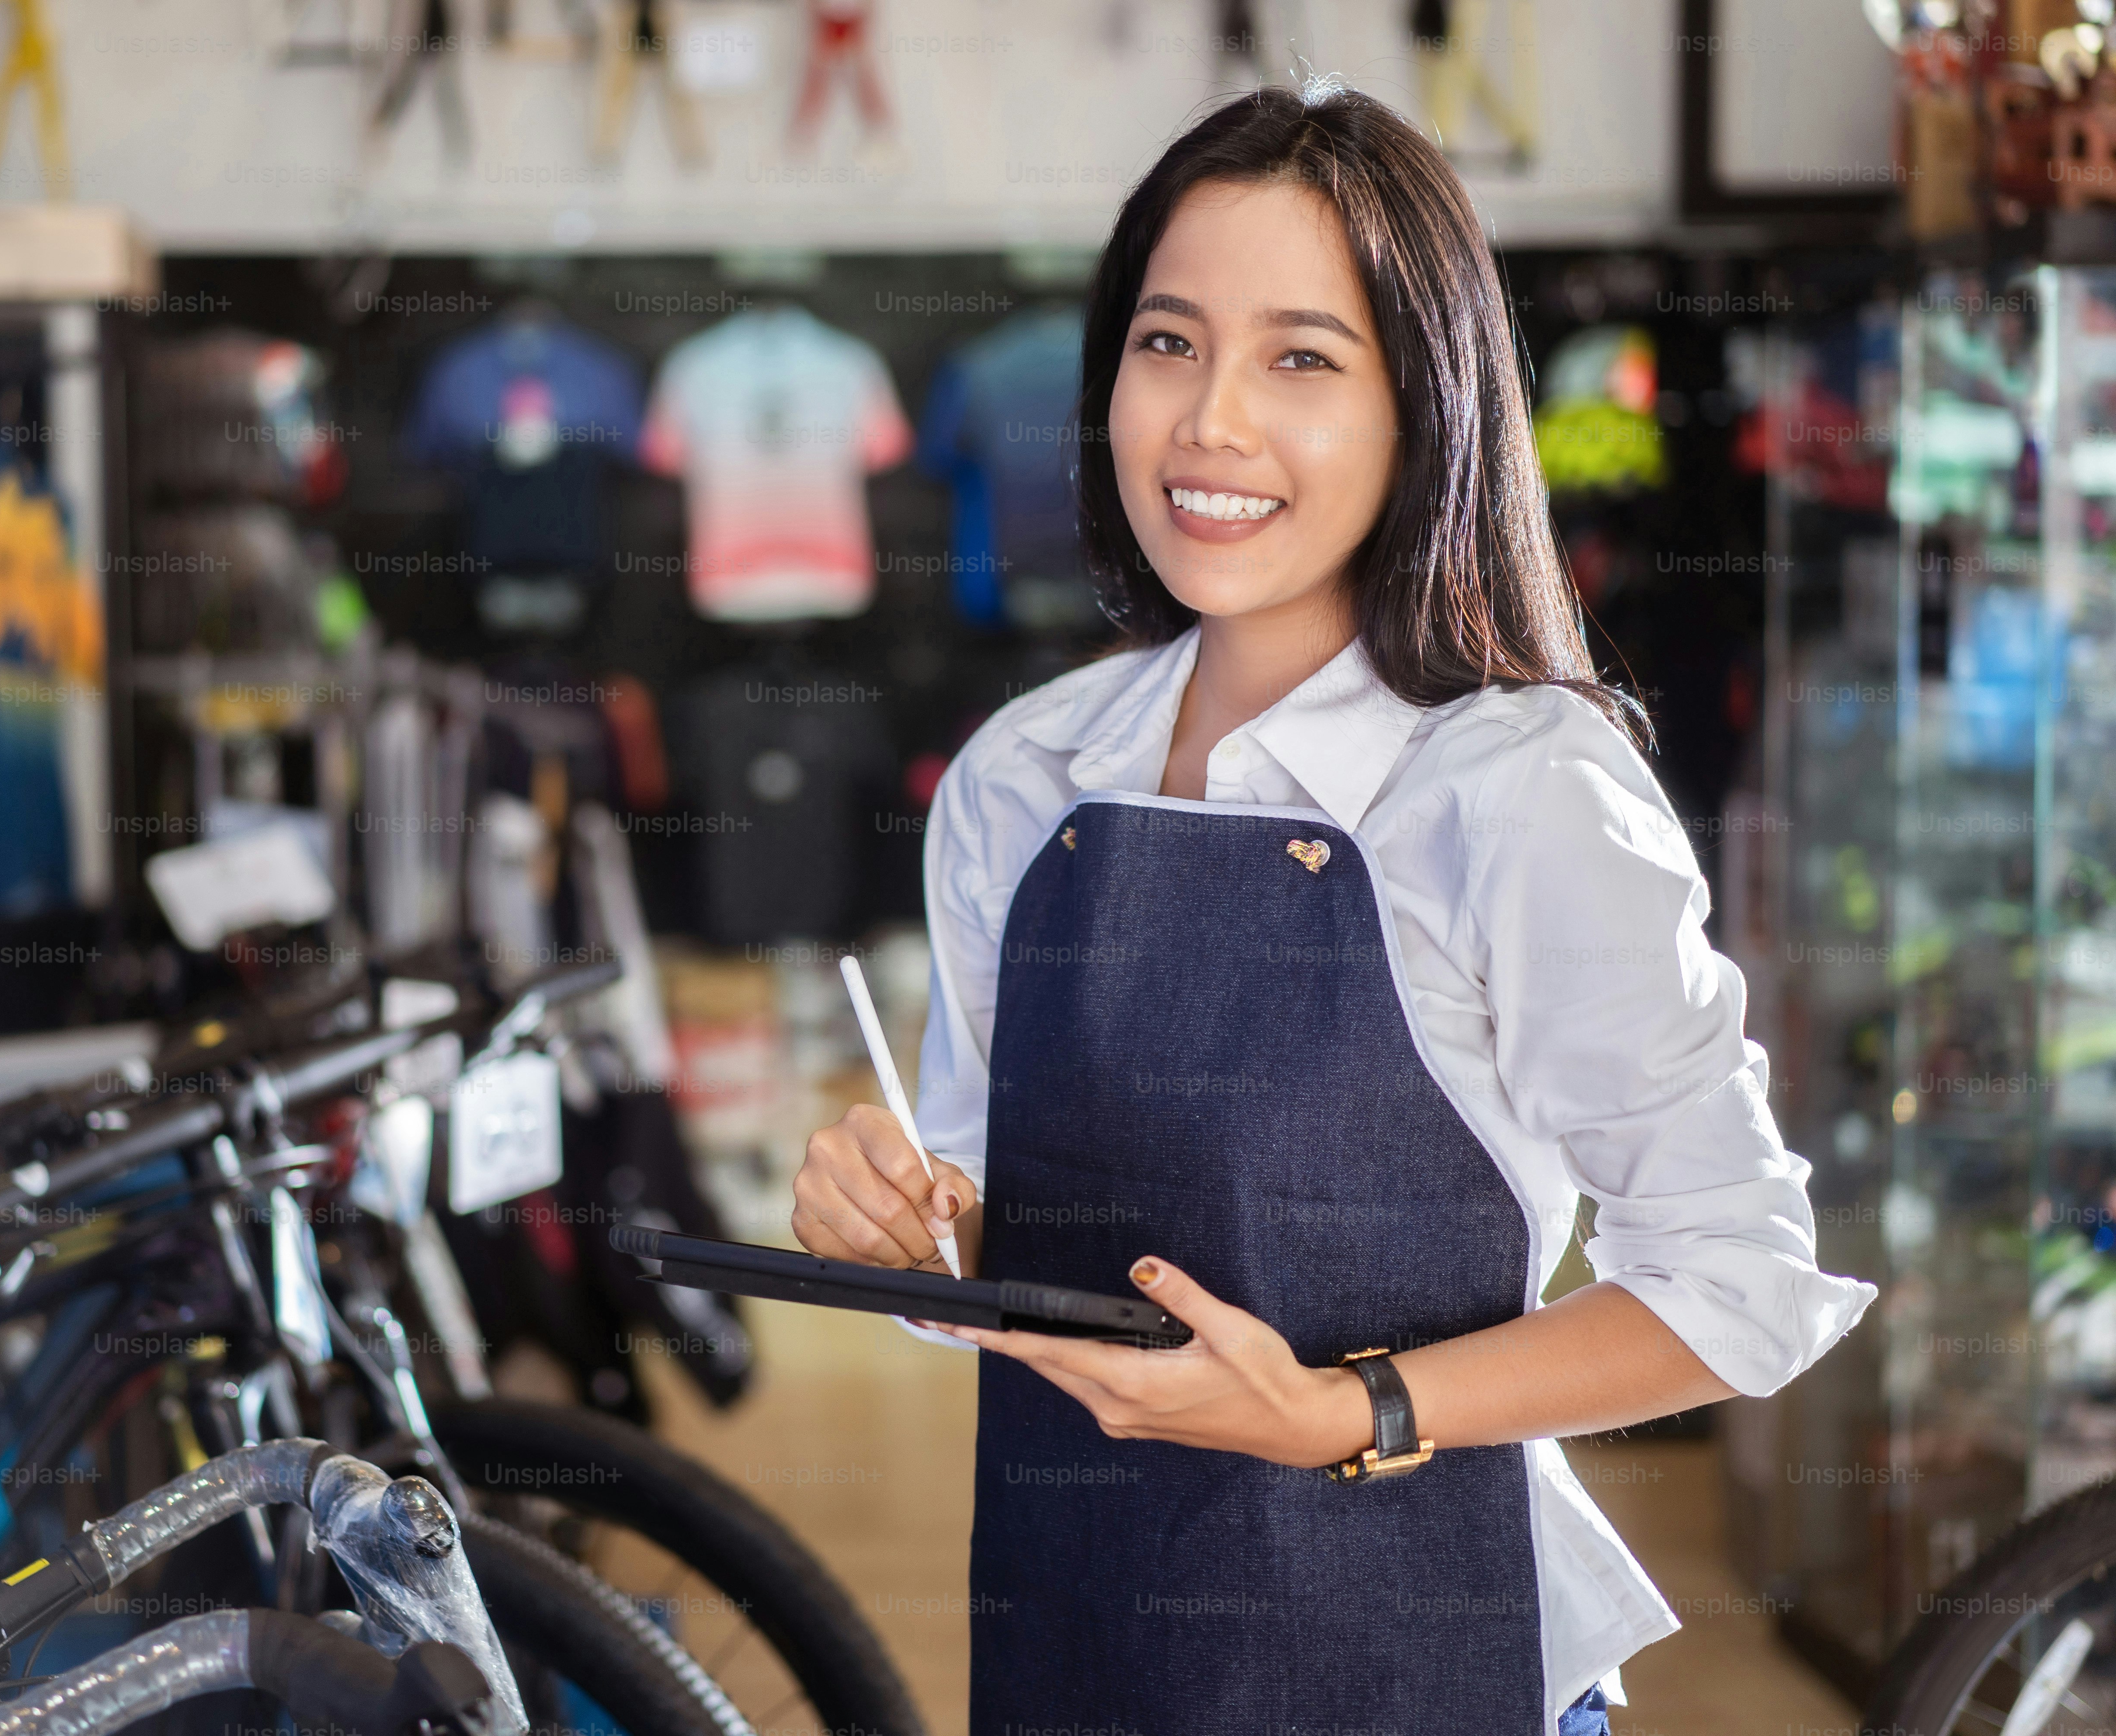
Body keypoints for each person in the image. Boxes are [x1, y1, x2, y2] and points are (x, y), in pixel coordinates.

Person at [789, 81, 1874, 1736]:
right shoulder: (1026, 777)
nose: (1210, 422)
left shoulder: (1520, 787)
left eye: (1302, 356)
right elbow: (1010, 1249)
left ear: (1422, 409)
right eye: (1169, 343)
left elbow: (1736, 1284)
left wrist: (1343, 1411)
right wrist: (917, 1230)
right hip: (1089, 1639)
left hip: (1430, 1657)